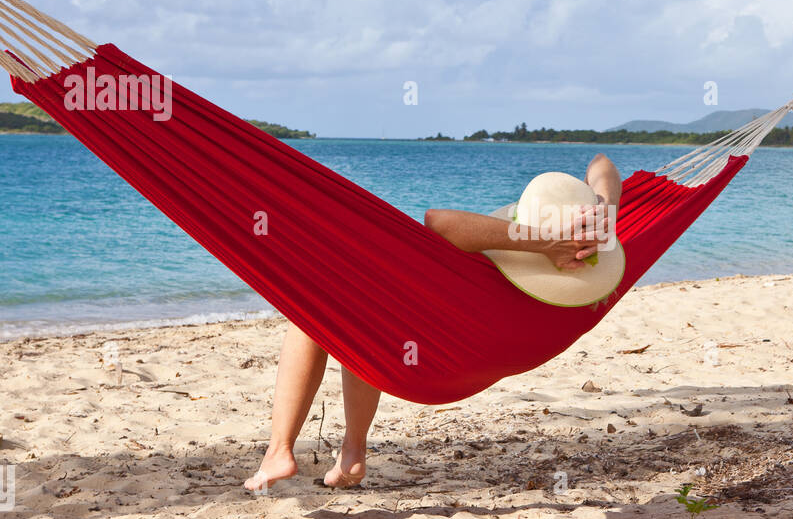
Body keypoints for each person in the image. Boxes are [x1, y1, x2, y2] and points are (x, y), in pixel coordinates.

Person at [243, 153, 622, 492]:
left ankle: (281, 450)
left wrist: (541, 242)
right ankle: (351, 453)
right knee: (354, 309)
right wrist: (605, 208)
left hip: (425, 357)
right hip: (472, 363)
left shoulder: (494, 264)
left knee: (315, 305)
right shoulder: (581, 299)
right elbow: (602, 163)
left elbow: (437, 220)